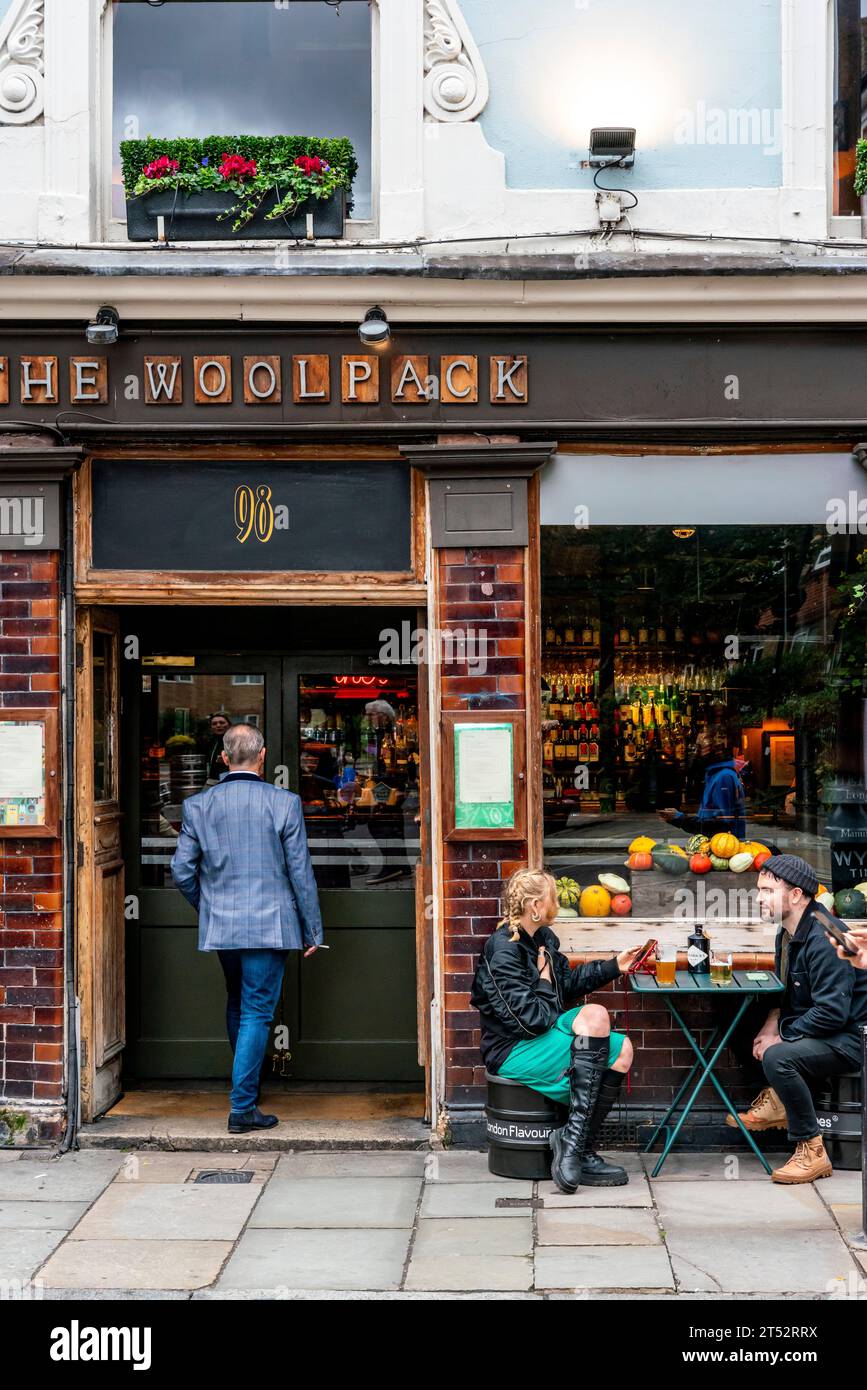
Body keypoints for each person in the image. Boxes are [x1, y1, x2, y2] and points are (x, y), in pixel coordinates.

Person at [171, 723, 324, 1134]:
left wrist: (210, 909)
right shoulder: (284, 803)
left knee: (238, 1001)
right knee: (257, 1009)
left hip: (225, 925)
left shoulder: (199, 806)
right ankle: (242, 1107)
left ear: (224, 758)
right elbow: (300, 873)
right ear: (262, 756)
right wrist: (313, 930)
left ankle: (248, 1086)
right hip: (270, 925)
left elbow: (181, 871)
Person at [471, 868, 642, 1194]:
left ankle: (576, 1145)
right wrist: (546, 982)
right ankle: (577, 1151)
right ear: (536, 905)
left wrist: (613, 966)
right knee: (596, 1028)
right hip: (514, 1048)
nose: (560, 901)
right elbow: (530, 1021)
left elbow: (568, 985)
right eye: (553, 896)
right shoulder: (504, 950)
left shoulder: (542, 940)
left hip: (543, 1033)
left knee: (619, 1045)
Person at [726, 854, 867, 1183]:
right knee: (736, 1017)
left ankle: (812, 1150)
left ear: (795, 895)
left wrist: (781, 1035)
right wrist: (772, 1020)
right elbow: (790, 993)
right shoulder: (787, 933)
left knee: (778, 1056)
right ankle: (777, 1096)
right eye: (758, 890)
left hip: (850, 1038)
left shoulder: (826, 937)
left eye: (767, 891)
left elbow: (832, 1013)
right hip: (823, 1028)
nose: (759, 897)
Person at [657, 723, 746, 840]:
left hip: (723, 851)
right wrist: (678, 818)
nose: (696, 753)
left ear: (715, 748)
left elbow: (720, 826)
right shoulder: (715, 775)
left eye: (700, 747)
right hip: (716, 848)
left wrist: (681, 819)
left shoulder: (723, 777)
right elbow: (711, 820)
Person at [204, 712, 231, 785]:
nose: (218, 725)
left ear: (228, 725)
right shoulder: (210, 741)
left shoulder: (235, 740)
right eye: (214, 724)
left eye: (222, 723)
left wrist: (229, 759)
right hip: (212, 780)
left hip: (229, 781)